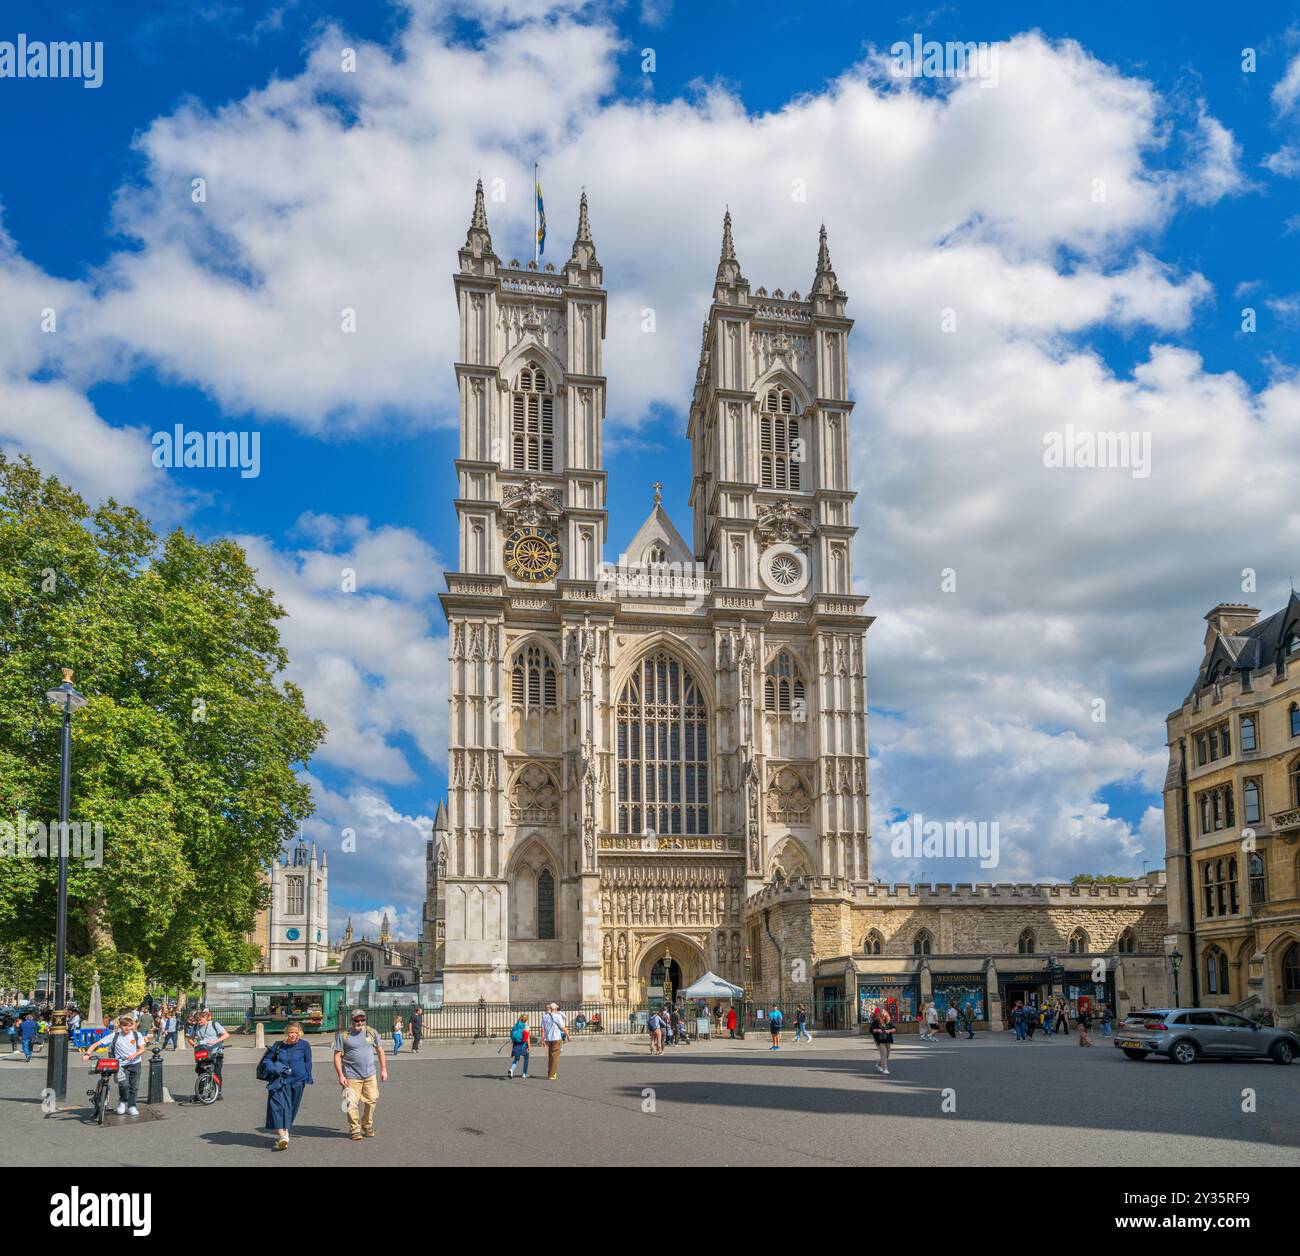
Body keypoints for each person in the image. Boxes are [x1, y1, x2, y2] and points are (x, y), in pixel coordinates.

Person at [333, 1009, 387, 1140]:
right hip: (351, 1076)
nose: (360, 1022)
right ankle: (355, 1129)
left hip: (370, 1075)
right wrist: (341, 1075)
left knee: (372, 1101)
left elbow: (380, 1051)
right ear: (352, 1021)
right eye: (357, 1020)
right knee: (351, 1103)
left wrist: (384, 1069)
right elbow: (337, 1056)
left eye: (363, 1020)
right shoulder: (343, 1035)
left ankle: (366, 1125)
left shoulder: (372, 1032)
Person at [83, 1013, 149, 1116]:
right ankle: (122, 1102)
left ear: (132, 1026)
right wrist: (87, 1054)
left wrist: (134, 1055)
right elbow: (97, 1044)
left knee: (134, 1086)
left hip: (135, 1063)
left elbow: (142, 1049)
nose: (126, 1028)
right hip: (120, 1064)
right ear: (120, 1026)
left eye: (129, 1025)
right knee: (123, 1085)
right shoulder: (115, 1035)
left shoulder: (137, 1035)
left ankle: (132, 1106)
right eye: (124, 1025)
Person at [262, 1020, 313, 1150]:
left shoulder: (304, 1045)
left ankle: (286, 1131)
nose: (293, 1035)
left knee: (292, 1108)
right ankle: (283, 1136)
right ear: (287, 1033)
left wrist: (307, 1077)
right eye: (291, 1032)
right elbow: (267, 1060)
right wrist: (273, 1068)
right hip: (280, 1081)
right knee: (276, 1106)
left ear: (300, 1033)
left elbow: (308, 1062)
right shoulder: (278, 1045)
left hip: (298, 1082)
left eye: (296, 1032)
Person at [186, 1010, 231, 1098]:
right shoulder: (195, 1027)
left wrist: (216, 1041)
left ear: (206, 1017)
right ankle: (200, 1094)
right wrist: (194, 1045)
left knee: (217, 1072)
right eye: (198, 1020)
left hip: (217, 1052)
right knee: (201, 1072)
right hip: (203, 1053)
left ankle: (219, 1093)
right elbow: (190, 1039)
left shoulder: (214, 1024)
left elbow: (226, 1035)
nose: (200, 1022)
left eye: (201, 1019)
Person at [540, 1003, 567, 1079]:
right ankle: (551, 1075)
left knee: (551, 1056)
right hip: (556, 1038)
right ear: (555, 1009)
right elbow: (562, 1027)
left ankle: (550, 1072)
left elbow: (542, 1029)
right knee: (555, 1057)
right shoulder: (558, 1016)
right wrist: (568, 1035)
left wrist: (542, 1039)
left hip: (548, 1039)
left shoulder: (544, 1017)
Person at [869, 1005, 894, 1075]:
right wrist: (877, 1030)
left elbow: (895, 1029)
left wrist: (889, 1031)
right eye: (882, 1015)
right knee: (884, 1054)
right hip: (879, 1041)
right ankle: (885, 1069)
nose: (883, 1017)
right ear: (879, 1015)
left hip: (888, 1040)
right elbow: (871, 1030)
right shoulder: (876, 1022)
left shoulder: (888, 1021)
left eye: (885, 1016)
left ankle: (879, 1064)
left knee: (887, 1055)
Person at [508, 1013, 530, 1078]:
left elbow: (511, 1034)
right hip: (523, 1044)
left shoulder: (516, 1025)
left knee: (516, 1059)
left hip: (516, 1044)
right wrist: (529, 1046)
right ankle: (524, 1073)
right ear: (526, 1020)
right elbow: (527, 1037)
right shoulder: (526, 1026)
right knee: (526, 1058)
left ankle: (511, 1069)